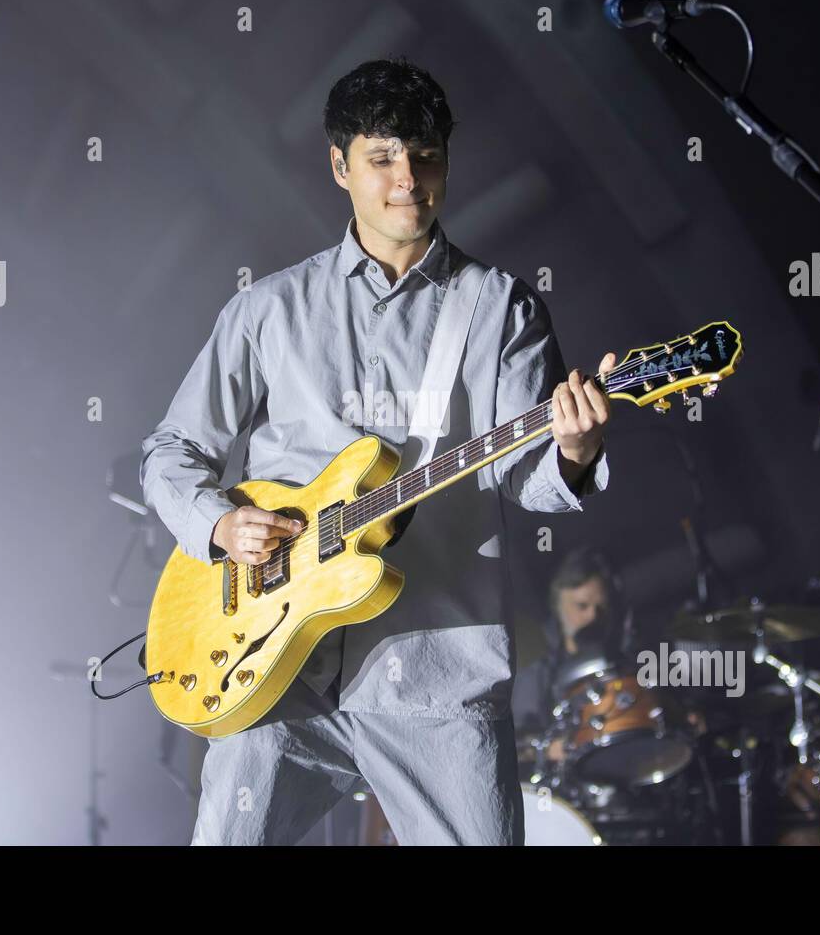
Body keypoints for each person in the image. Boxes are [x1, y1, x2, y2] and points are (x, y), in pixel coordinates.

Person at [141, 57, 615, 845]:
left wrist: (575, 448)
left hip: (435, 669)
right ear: (340, 165)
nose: (408, 181)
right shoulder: (268, 309)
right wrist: (219, 526)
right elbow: (173, 448)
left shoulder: (501, 307)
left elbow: (527, 474)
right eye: (383, 157)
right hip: (274, 666)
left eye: (426, 156)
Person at [512, 546, 626, 763]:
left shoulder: (629, 658)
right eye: (582, 606)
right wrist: (549, 749)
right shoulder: (538, 672)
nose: (593, 616)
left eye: (602, 607)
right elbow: (512, 744)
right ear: (558, 606)